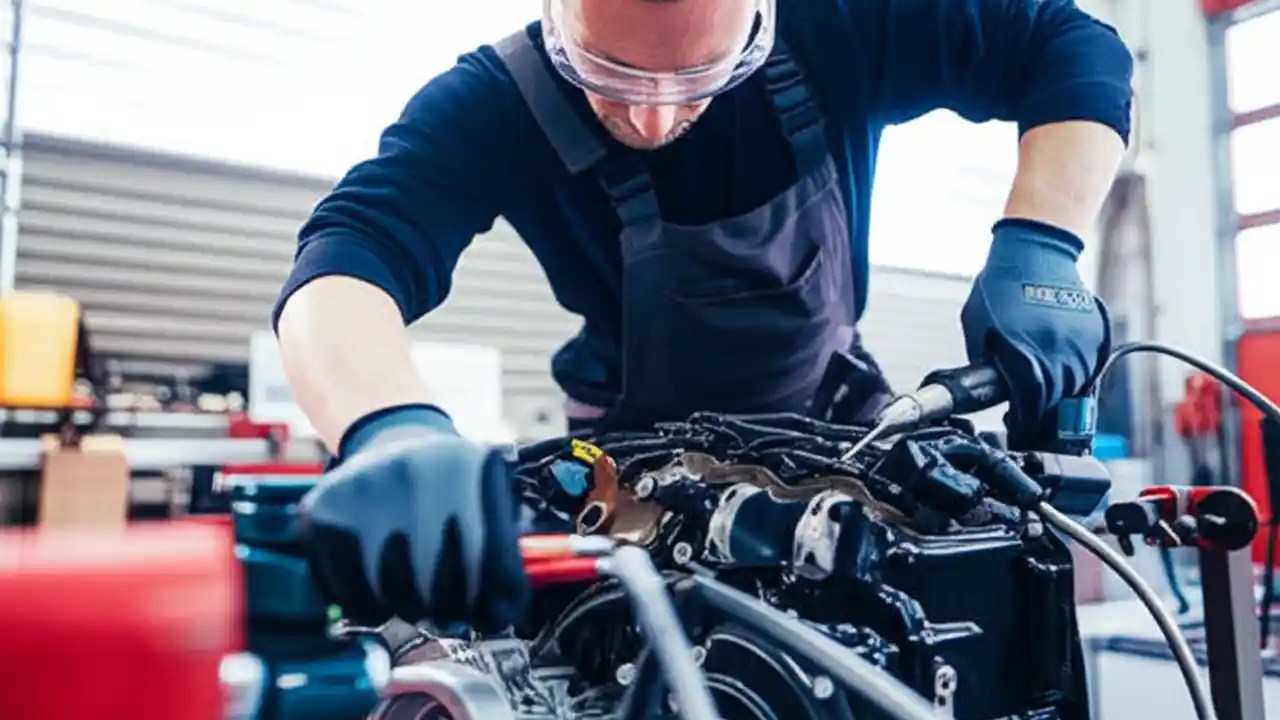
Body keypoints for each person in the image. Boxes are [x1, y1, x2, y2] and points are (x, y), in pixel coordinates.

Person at [278, 0, 1132, 631]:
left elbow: (1068, 44)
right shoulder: (497, 102)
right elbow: (353, 249)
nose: (654, 117)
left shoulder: (840, 25)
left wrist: (1043, 244)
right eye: (609, 76)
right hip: (624, 462)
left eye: (701, 79)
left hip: (843, 424)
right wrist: (390, 426)